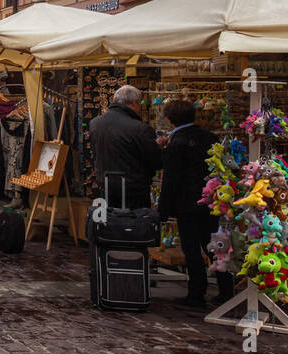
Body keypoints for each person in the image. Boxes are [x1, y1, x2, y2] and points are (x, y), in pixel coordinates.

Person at [157, 99, 235, 309]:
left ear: (171, 120)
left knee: (192, 250)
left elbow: (171, 180)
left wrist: (163, 210)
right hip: (212, 202)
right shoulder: (210, 137)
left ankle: (196, 293)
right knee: (216, 246)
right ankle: (227, 289)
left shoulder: (176, 143)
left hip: (187, 204)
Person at [89, 84, 163, 210]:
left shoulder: (95, 123)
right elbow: (156, 162)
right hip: (134, 193)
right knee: (133, 227)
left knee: (110, 225)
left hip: (106, 188)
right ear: (134, 103)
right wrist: (158, 146)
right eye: (139, 104)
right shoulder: (140, 128)